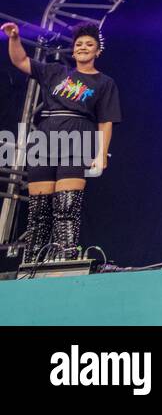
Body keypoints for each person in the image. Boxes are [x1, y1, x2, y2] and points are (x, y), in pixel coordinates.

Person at [3, 21, 121, 260]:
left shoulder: (104, 83)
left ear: (98, 51)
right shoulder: (55, 72)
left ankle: (63, 261)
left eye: (89, 44)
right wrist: (14, 38)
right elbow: (20, 61)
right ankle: (32, 267)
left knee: (66, 208)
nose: (83, 48)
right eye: (79, 44)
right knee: (38, 212)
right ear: (73, 50)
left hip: (77, 140)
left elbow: (106, 121)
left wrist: (101, 154)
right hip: (46, 139)